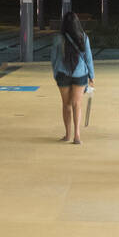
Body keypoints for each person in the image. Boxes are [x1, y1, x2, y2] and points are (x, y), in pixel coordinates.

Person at [51, 10, 95, 144]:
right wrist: (91, 76)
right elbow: (88, 58)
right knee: (77, 104)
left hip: (63, 74)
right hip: (80, 74)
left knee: (66, 105)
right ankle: (77, 136)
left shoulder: (58, 38)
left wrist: (55, 73)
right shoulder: (84, 37)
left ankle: (67, 135)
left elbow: (54, 58)